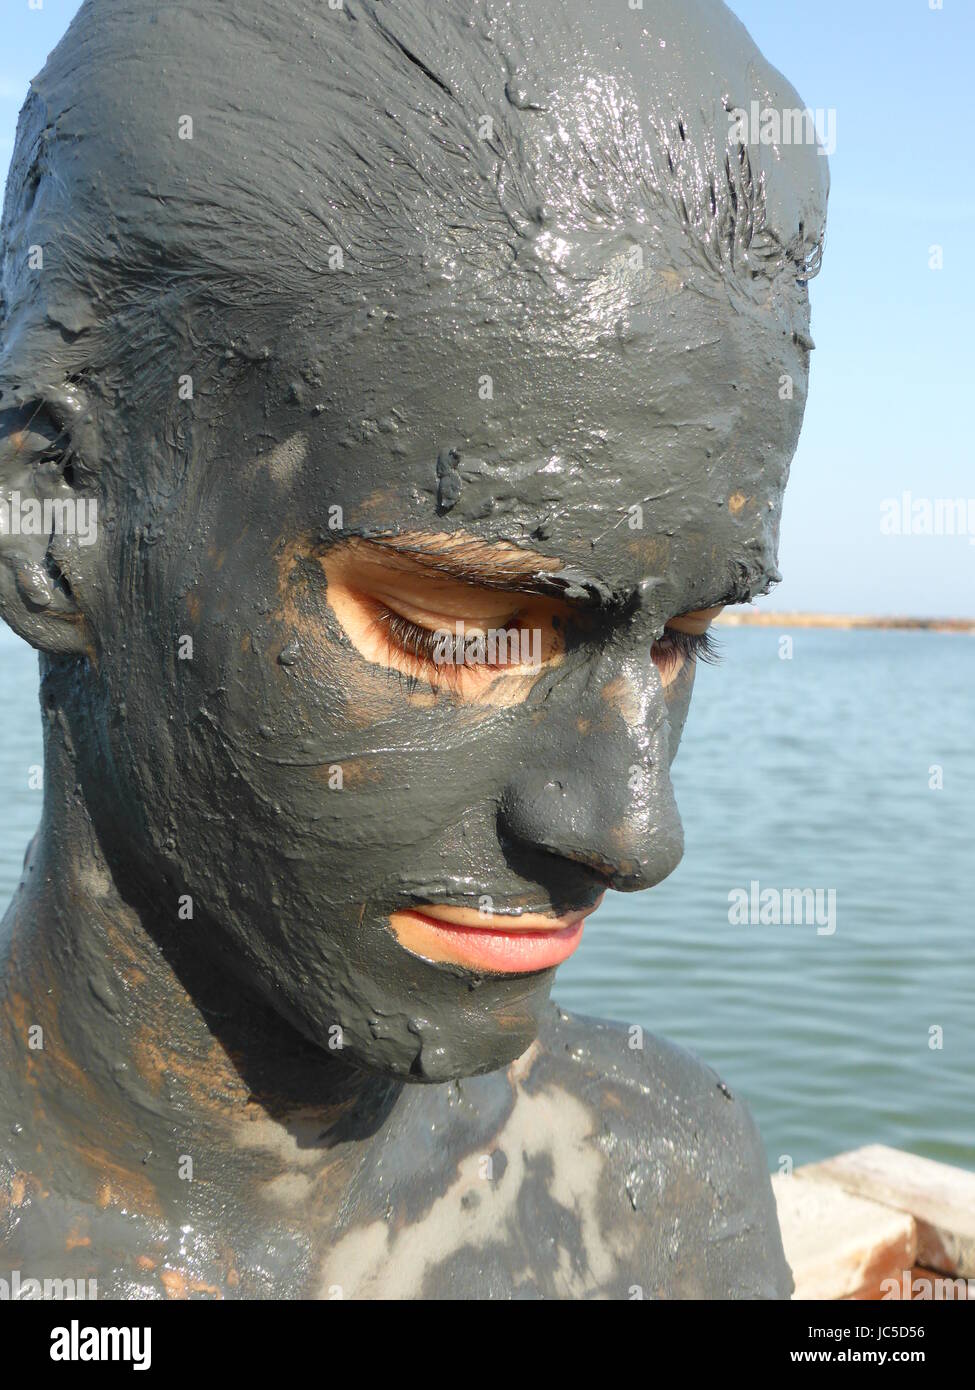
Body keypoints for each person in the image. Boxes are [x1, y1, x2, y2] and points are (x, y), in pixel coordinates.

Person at [0, 0, 827, 1298]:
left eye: (680, 643)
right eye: (458, 627)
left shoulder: (656, 1194)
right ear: (58, 529)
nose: (633, 833)